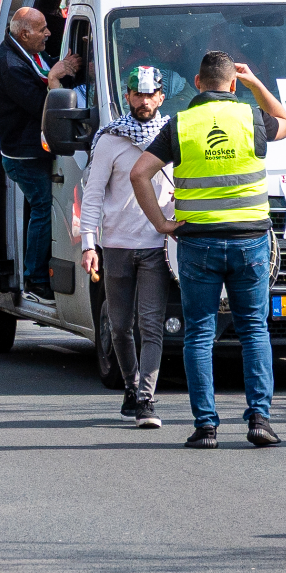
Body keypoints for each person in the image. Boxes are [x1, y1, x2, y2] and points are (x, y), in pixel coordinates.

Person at [130, 51, 286, 449]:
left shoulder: (181, 124)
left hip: (197, 241)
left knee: (199, 335)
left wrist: (162, 225)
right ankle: (259, 420)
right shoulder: (251, 117)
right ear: (233, 85)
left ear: (198, 84)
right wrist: (255, 83)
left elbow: (139, 173)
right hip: (249, 241)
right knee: (253, 329)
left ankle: (206, 427)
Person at [80, 66, 173, 429]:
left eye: (151, 95)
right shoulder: (110, 139)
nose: (144, 101)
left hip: (156, 246)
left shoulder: (173, 136)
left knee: (151, 325)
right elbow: (92, 194)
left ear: (161, 97)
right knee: (119, 326)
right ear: (128, 96)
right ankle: (131, 386)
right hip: (116, 245)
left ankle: (147, 400)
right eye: (138, 94)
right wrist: (89, 243)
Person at [0, 7, 82, 301]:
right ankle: (36, 280)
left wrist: (63, 67)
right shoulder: (10, 64)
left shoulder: (28, 52)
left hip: (35, 151)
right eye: (42, 29)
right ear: (25, 33)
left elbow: (46, 69)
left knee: (40, 208)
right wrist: (55, 82)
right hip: (23, 156)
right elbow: (41, 108)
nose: (49, 33)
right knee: (43, 207)